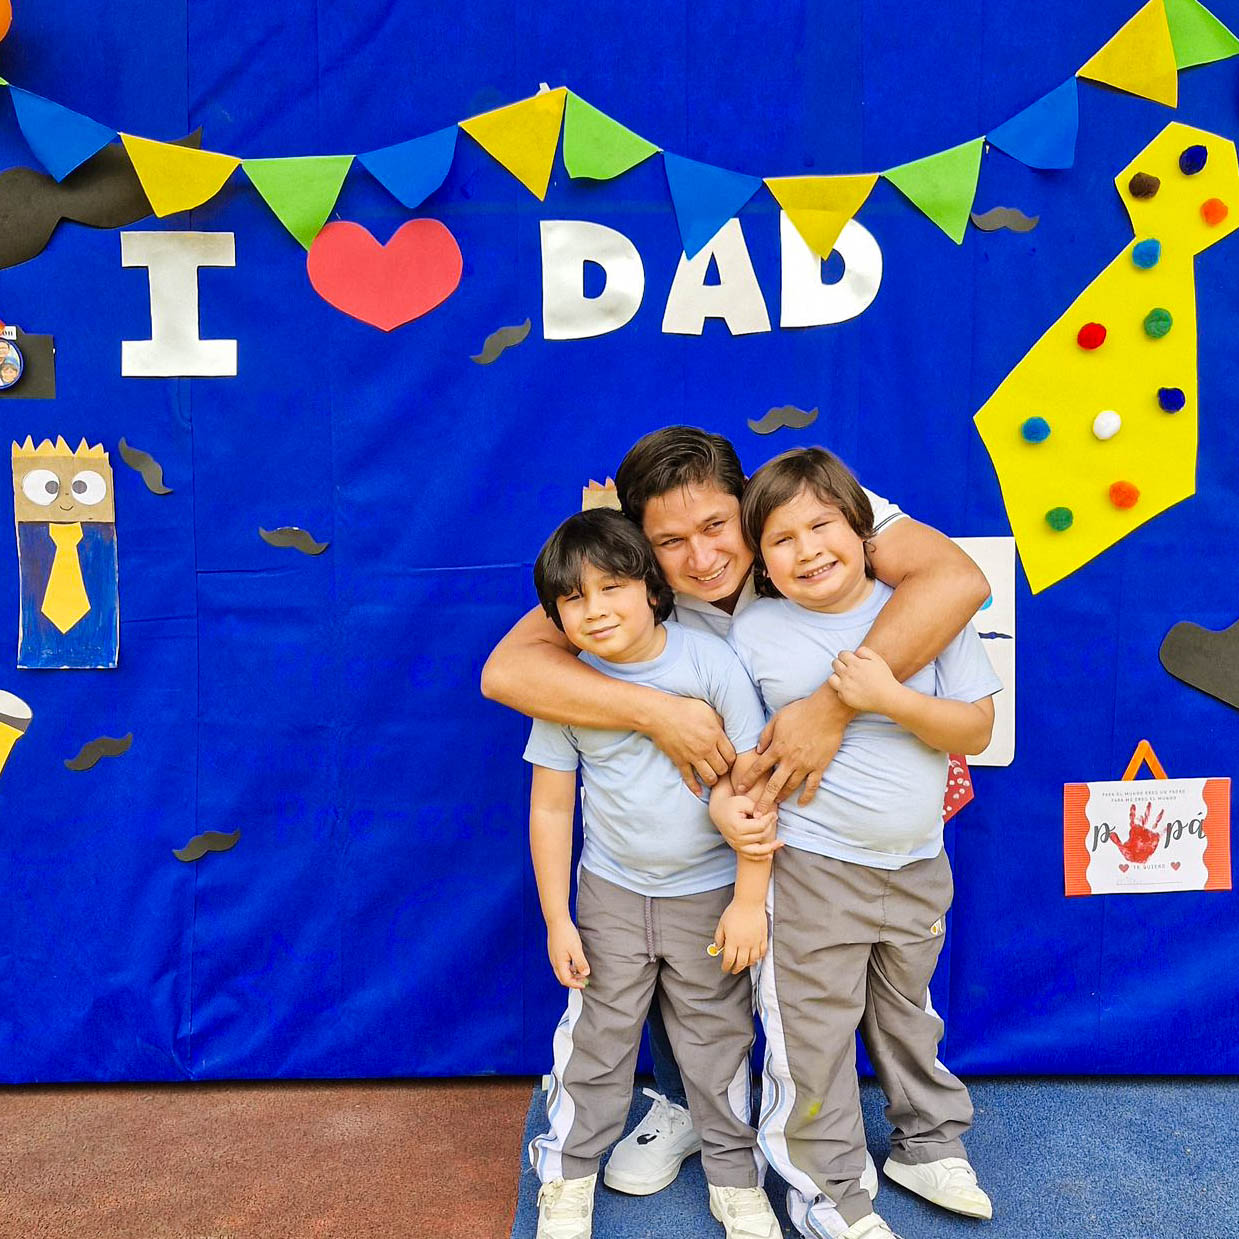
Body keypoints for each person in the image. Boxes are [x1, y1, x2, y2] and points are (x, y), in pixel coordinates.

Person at [482, 426, 990, 1195]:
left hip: (853, 821)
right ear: (642, 550)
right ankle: (692, 1103)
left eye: (718, 527)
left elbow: (956, 580)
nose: (702, 558)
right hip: (695, 837)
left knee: (871, 978)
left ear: (747, 508)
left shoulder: (801, 522)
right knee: (683, 949)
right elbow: (508, 669)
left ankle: (918, 1132)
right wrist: (656, 711)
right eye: (670, 542)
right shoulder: (630, 584)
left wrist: (829, 711)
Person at [726, 447, 1000, 1239]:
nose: (809, 549)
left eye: (823, 525)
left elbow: (975, 727)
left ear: (863, 529)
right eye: (781, 539)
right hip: (811, 869)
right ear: (762, 563)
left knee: (907, 1014)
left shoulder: (923, 605)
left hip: (916, 862)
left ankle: (926, 1142)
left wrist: (883, 694)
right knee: (811, 1035)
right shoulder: (755, 633)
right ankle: (830, 1196)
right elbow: (745, 754)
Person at [524, 509, 779, 1239]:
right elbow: (550, 808)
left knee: (714, 1042)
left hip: (706, 897)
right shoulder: (565, 686)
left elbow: (754, 788)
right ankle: (566, 1176)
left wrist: (749, 900)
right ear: (554, 615)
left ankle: (737, 1181)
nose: (595, 608)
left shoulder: (707, 663)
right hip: (608, 895)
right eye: (573, 598)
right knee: (596, 1041)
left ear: (653, 590)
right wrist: (557, 917)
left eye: (612, 586)